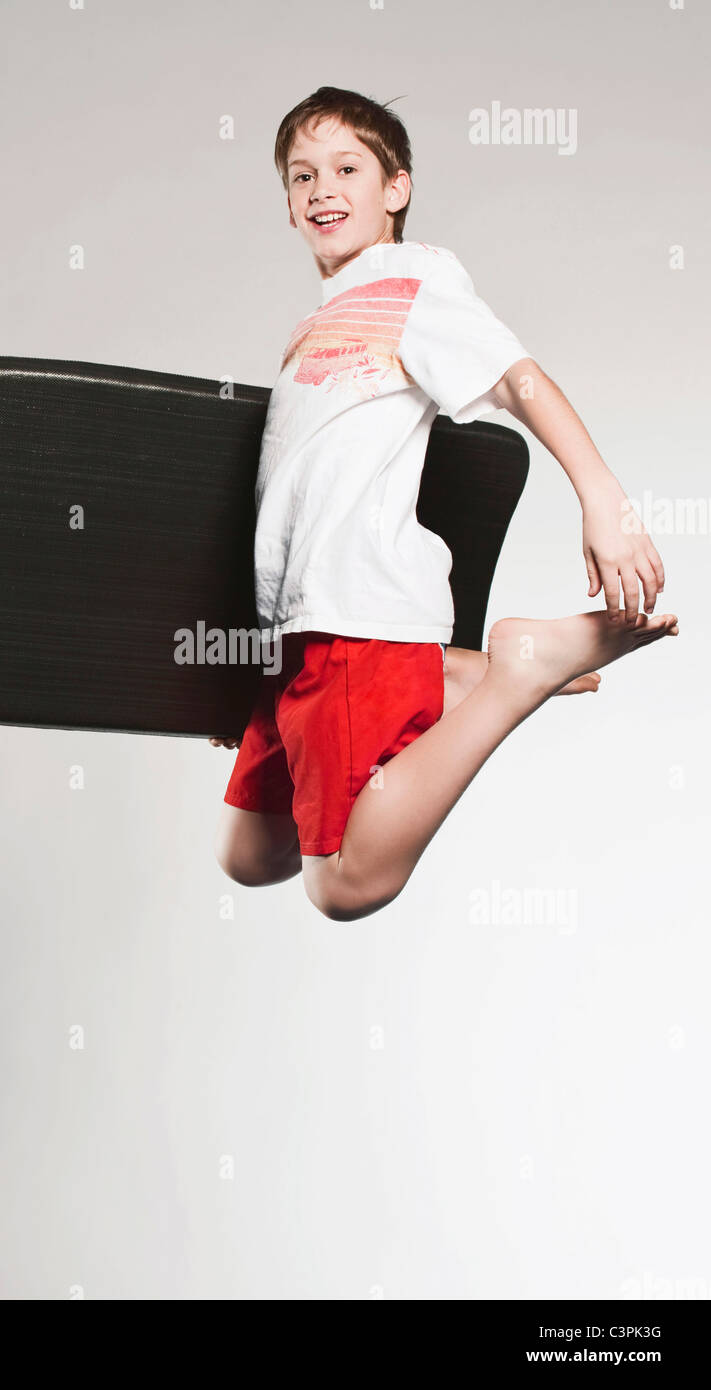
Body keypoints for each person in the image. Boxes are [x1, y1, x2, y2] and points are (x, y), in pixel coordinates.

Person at [211, 85, 678, 922]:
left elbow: (517, 379)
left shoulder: (412, 284)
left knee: (346, 885)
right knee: (250, 855)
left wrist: (602, 498)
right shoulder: (317, 322)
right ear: (286, 205)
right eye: (301, 175)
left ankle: (512, 677)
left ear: (395, 189)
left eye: (346, 168)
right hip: (299, 629)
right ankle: (450, 674)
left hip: (359, 610)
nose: (322, 188)